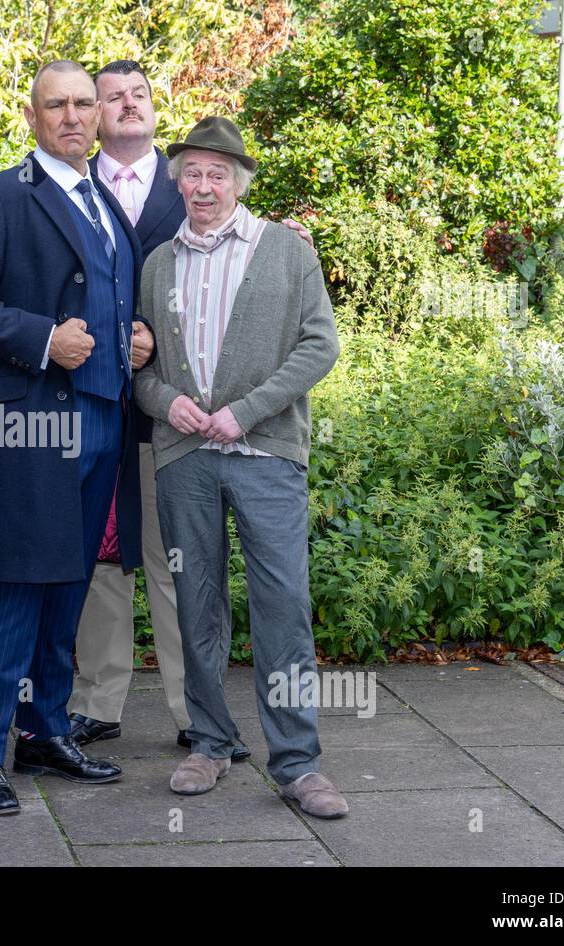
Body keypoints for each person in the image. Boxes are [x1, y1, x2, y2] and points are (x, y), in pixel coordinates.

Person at [71, 61, 311, 762]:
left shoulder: (217, 207)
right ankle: (100, 701)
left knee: (182, 567)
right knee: (104, 558)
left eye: (136, 94)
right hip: (100, 402)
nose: (124, 105)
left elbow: (300, 327)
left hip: (200, 423)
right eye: (109, 96)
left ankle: (202, 717)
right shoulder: (67, 184)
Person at [0, 60, 153, 815]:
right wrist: (40, 338)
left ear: (98, 116)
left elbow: (111, 296)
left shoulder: (105, 203)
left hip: (104, 420)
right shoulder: (0, 197)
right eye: (55, 106)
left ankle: (45, 730)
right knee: (24, 584)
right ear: (32, 118)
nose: (72, 117)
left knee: (69, 583)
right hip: (32, 423)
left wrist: (137, 337)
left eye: (83, 105)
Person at [134, 116, 348, 818]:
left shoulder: (285, 251)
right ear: (179, 183)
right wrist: (171, 403)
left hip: (265, 454)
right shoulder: (158, 263)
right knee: (195, 601)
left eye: (216, 174)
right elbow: (140, 374)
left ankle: (297, 763)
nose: (203, 185)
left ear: (238, 183)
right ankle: (209, 742)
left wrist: (246, 409)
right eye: (192, 173)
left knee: (282, 604)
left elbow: (320, 346)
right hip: (185, 457)